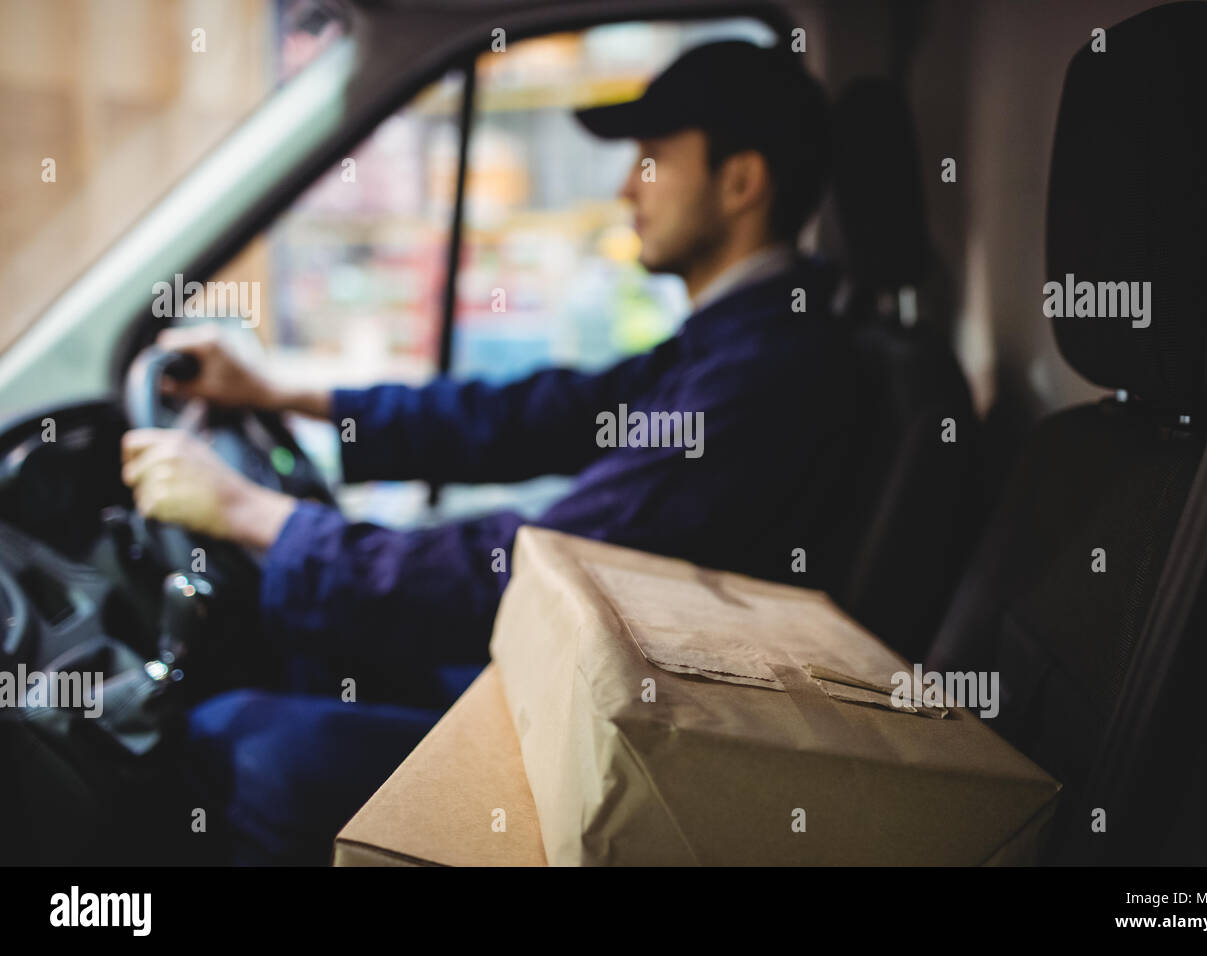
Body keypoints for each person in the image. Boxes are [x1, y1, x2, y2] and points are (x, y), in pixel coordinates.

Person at [121, 39, 864, 864]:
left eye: (652, 159)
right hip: (591, 692)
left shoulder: (764, 373)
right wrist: (282, 393)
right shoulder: (733, 339)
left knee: (233, 742)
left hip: (635, 753)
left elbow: (534, 565)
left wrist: (252, 513)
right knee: (316, 647)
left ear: (741, 182)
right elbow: (523, 416)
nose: (626, 188)